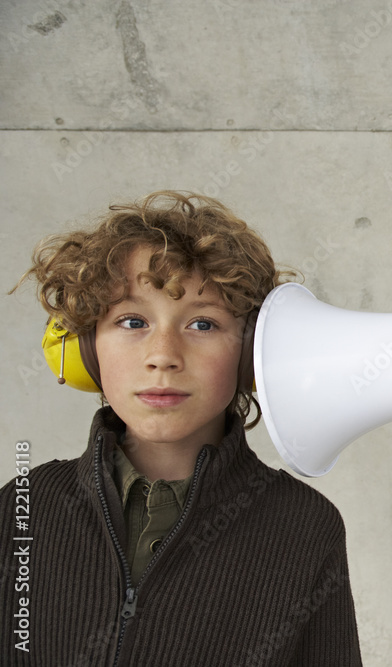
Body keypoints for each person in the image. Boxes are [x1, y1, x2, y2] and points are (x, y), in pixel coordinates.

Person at [1, 191, 363, 665]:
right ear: (85, 349)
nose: (163, 355)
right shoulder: (22, 507)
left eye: (203, 324)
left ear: (252, 352)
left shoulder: (304, 526)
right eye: (133, 321)